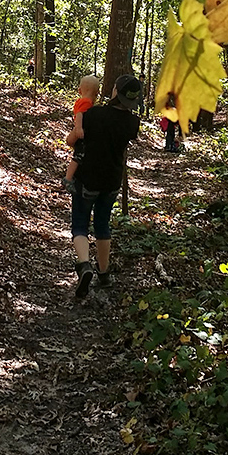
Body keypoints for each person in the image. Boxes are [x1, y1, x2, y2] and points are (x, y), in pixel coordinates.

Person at [69, 74, 141, 298]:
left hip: (87, 178)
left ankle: (84, 265)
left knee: (80, 224)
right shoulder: (132, 122)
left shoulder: (93, 114)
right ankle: (104, 273)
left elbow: (73, 140)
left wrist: (72, 135)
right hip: (112, 180)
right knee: (102, 224)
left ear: (114, 93)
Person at [61, 74, 100, 194]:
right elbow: (79, 115)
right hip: (81, 132)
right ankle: (68, 178)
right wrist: (78, 128)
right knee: (78, 156)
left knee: (78, 155)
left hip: (81, 132)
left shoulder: (81, 101)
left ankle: (69, 177)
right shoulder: (86, 102)